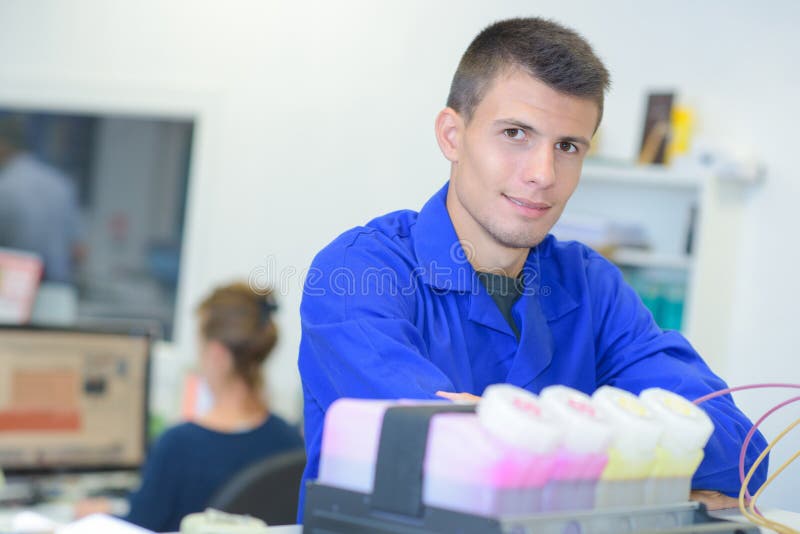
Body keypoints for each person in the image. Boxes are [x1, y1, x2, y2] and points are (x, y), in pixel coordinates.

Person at [297, 17, 767, 519]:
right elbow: (447, 454)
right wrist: (639, 470)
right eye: (516, 133)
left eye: (567, 146)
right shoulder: (358, 274)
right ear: (453, 135)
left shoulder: (592, 287)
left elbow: (742, 454)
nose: (543, 174)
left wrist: (543, 442)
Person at [78, 282, 303, 532]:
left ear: (216, 354)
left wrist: (101, 515)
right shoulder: (290, 442)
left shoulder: (178, 446)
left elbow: (136, 527)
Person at [0, 115, 84, 284]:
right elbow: (79, 250)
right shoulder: (60, 182)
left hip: (15, 290)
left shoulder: (5, 186)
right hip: (57, 292)